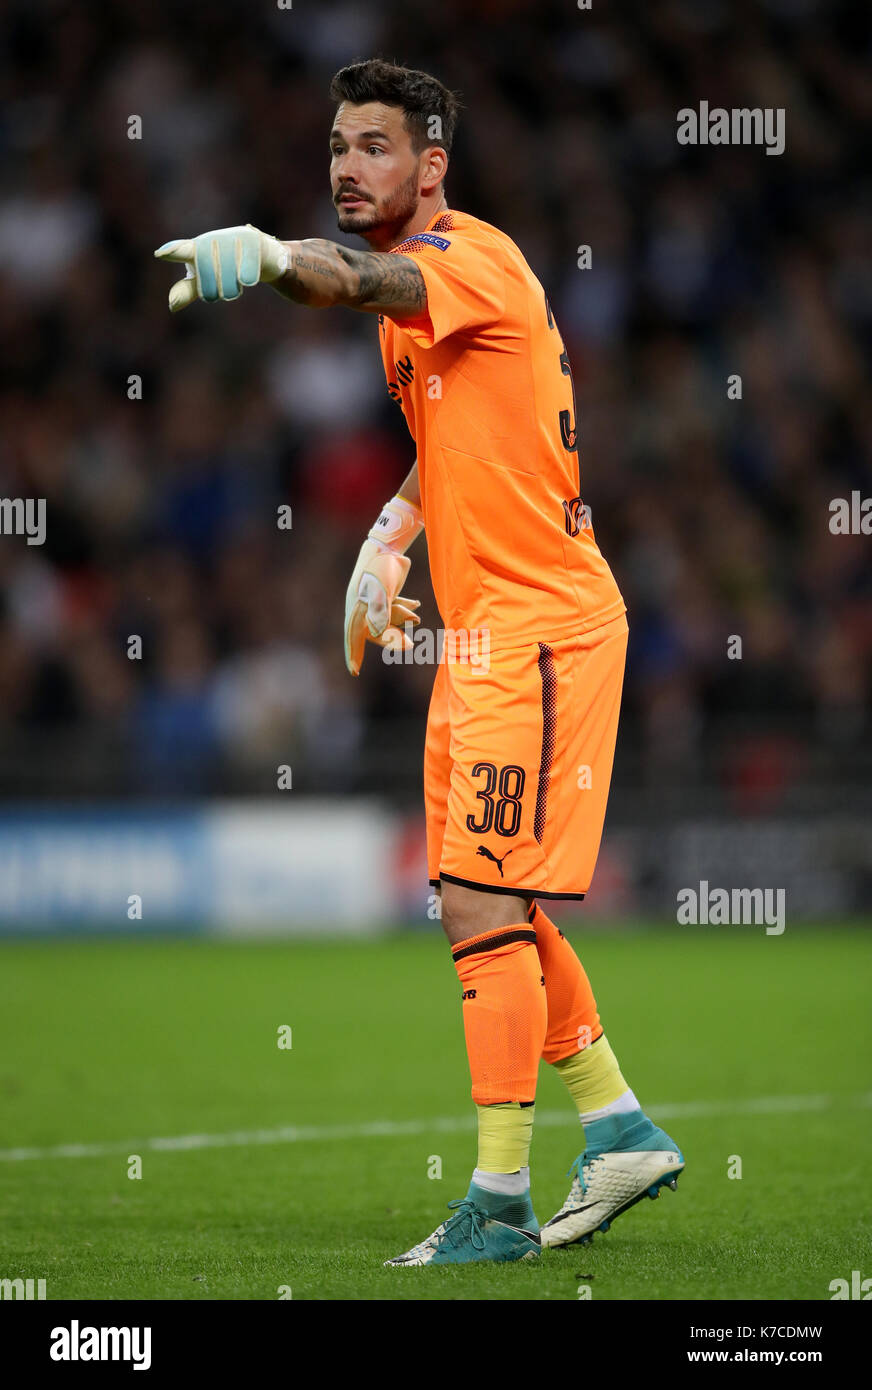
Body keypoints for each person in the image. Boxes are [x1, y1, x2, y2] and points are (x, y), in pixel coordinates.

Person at [155, 57, 684, 1267]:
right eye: (338, 146)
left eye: (375, 147)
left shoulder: (469, 264)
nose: (348, 166)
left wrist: (277, 257)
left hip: (543, 629)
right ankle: (616, 1121)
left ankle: (497, 1203)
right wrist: (388, 545)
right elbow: (449, 457)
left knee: (487, 896)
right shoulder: (416, 334)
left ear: (429, 165)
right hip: (481, 630)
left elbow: (356, 277)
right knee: (466, 894)